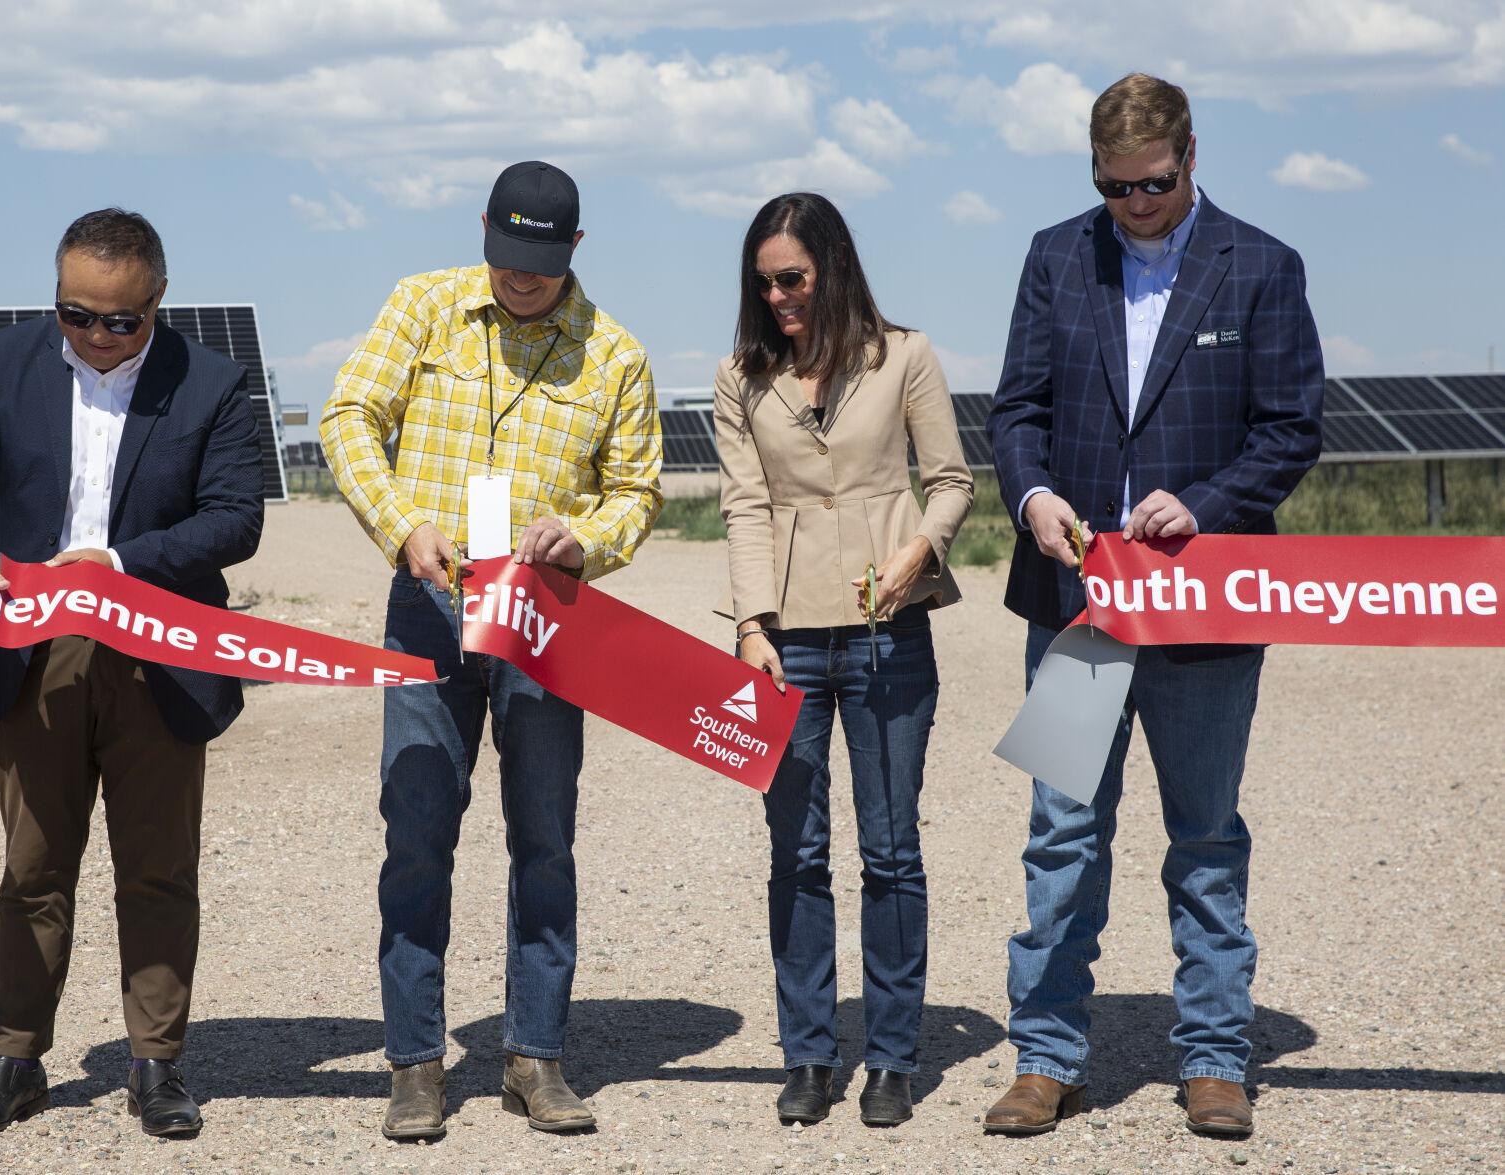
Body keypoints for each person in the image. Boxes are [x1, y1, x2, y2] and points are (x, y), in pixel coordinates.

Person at [985, 73, 1323, 1138]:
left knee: (1205, 833)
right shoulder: (1053, 254)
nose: (1133, 203)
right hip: (1079, 602)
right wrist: (1033, 497)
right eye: (1112, 184)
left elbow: (1289, 427)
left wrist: (1209, 503)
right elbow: (1016, 411)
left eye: (1152, 183)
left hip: (1205, 603)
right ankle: (1044, 1055)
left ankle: (1214, 1056)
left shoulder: (1261, 265)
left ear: (1189, 153)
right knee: (1062, 830)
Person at [321, 160, 663, 1140]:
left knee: (544, 838)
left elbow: (634, 492)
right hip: (429, 611)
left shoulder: (616, 357)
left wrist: (585, 540)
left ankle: (534, 1055)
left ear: (575, 250)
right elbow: (349, 419)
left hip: (547, 625)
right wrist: (400, 526)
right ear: (482, 230)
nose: (523, 278)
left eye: (542, 263)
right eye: (509, 257)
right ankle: (415, 1062)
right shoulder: (420, 308)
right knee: (417, 832)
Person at [0, 208, 265, 1140]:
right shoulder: (7, 361)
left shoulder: (216, 382)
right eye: (77, 314)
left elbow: (236, 518)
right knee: (32, 868)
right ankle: (16, 1056)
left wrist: (122, 563)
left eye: (120, 321)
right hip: (36, 654)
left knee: (156, 870)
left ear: (156, 303)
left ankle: (157, 1064)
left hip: (158, 652)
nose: (96, 336)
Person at [714, 192, 974, 1127]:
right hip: (786, 644)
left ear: (832, 266)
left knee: (891, 849)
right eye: (765, 283)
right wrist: (752, 626)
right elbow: (743, 506)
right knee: (799, 851)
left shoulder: (905, 356)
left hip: (888, 633)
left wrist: (920, 550)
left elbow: (949, 480)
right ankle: (810, 1055)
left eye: (793, 277)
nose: (779, 296)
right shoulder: (740, 378)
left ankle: (894, 1056)